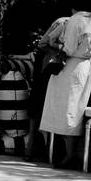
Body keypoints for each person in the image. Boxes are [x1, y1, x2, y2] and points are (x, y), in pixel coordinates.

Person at [38, 9, 91, 167]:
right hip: (85, 69)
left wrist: (55, 45)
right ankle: (68, 152)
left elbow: (69, 49)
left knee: (66, 110)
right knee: (74, 110)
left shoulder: (74, 21)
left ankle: (68, 153)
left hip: (71, 68)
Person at [25, 14, 68, 161]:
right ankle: (43, 147)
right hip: (63, 70)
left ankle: (33, 148)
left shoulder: (63, 22)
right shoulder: (89, 25)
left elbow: (42, 44)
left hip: (53, 67)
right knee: (48, 106)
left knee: (38, 106)